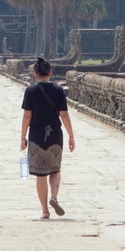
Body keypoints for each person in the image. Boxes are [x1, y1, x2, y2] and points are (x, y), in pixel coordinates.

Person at [20, 57, 75, 220]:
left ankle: (45, 210)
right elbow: (63, 114)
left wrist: (22, 137)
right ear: (50, 72)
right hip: (55, 134)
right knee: (55, 168)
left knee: (40, 174)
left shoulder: (30, 91)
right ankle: (54, 197)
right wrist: (71, 135)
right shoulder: (58, 90)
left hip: (36, 134)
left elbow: (27, 115)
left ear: (35, 74)